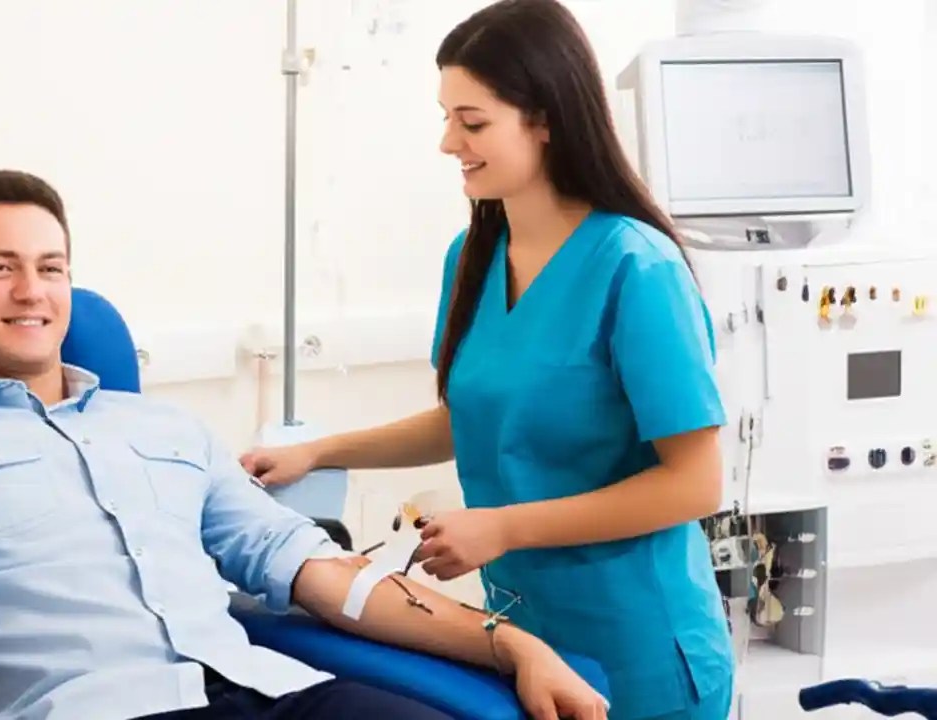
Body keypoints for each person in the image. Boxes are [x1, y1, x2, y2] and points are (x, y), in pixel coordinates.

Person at [0, 169, 610, 720]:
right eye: (0, 268)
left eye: (51, 267)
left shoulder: (162, 429)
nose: (33, 291)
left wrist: (510, 645)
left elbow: (316, 568)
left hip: (267, 693)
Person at [239, 2, 735, 719]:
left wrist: (503, 527)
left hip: (642, 643)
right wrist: (318, 452)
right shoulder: (475, 255)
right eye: (446, 118)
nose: (449, 142)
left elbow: (694, 484)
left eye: (472, 123)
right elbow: (469, 417)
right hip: (530, 631)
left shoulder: (636, 267)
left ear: (545, 119)